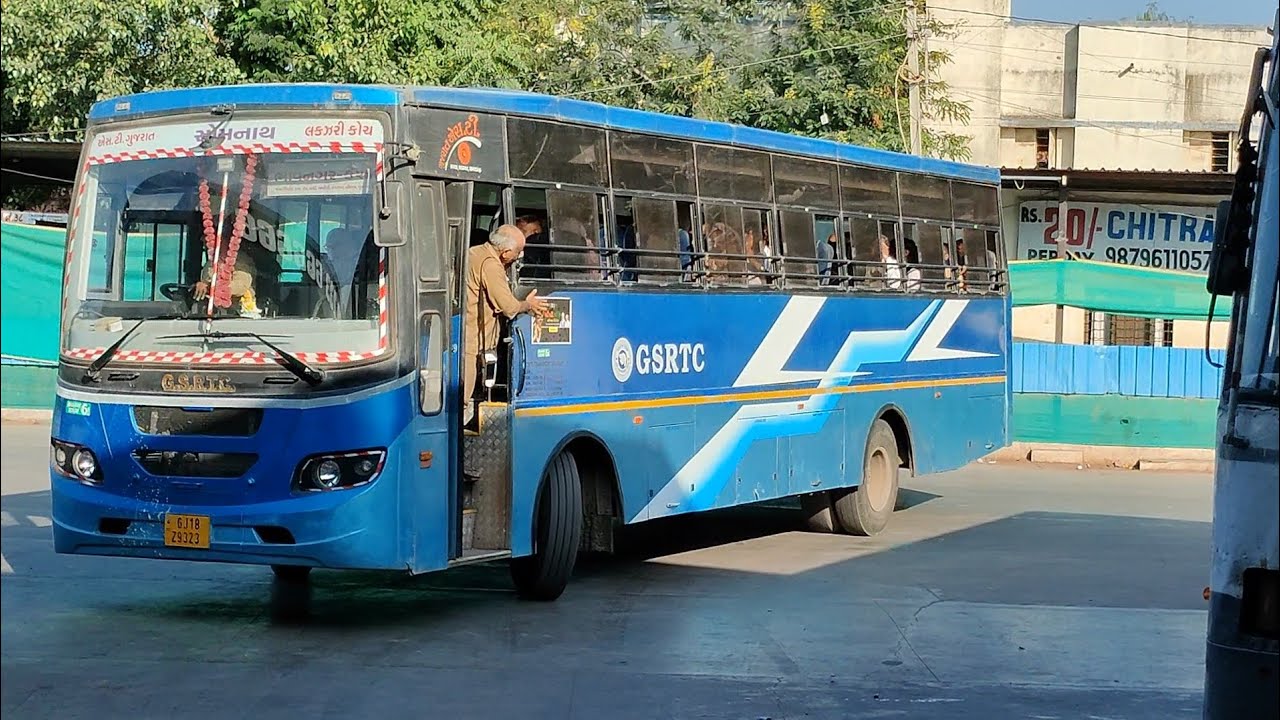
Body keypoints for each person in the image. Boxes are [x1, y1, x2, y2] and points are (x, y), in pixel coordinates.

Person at [464, 224, 549, 426]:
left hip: (464, 337)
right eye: (518, 252)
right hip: (472, 341)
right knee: (463, 401)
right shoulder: (491, 265)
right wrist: (528, 304)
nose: (519, 257)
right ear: (506, 252)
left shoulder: (474, 252)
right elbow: (509, 307)